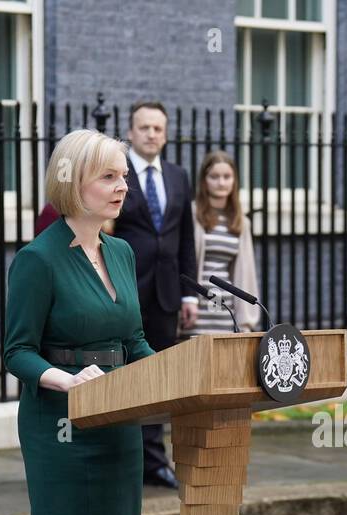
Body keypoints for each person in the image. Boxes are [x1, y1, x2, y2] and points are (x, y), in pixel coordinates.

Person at [3, 128, 153, 515]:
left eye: (123, 176)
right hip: (60, 429)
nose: (121, 187)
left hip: (117, 425)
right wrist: (69, 382)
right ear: (72, 183)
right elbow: (17, 351)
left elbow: (136, 337)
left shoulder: (119, 253)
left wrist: (176, 380)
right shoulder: (37, 259)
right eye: (108, 177)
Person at [113, 99, 198, 489]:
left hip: (166, 295)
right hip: (126, 290)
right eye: (144, 127)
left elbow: (184, 239)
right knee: (125, 373)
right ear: (130, 132)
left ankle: (154, 458)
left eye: (158, 128)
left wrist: (189, 294)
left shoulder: (179, 176)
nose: (151, 134)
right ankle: (125, 455)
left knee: (160, 374)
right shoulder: (116, 173)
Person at [180, 149, 261, 340]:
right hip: (195, 309)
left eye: (227, 176)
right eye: (214, 176)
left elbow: (245, 273)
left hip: (226, 308)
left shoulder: (241, 221)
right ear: (204, 180)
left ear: (234, 180)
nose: (221, 182)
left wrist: (245, 322)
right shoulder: (192, 214)